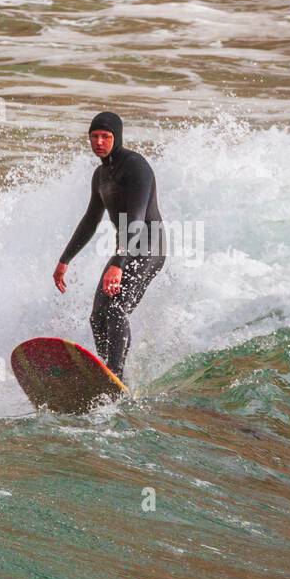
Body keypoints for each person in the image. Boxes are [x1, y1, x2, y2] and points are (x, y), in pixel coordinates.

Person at [53, 112, 165, 380]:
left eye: (106, 136)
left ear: (117, 137)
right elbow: (91, 220)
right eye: (94, 136)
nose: (99, 142)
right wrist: (65, 259)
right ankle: (107, 376)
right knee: (97, 317)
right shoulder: (100, 175)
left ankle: (115, 373)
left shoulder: (136, 166)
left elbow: (136, 220)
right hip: (126, 249)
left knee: (116, 310)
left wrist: (118, 263)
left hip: (148, 245)